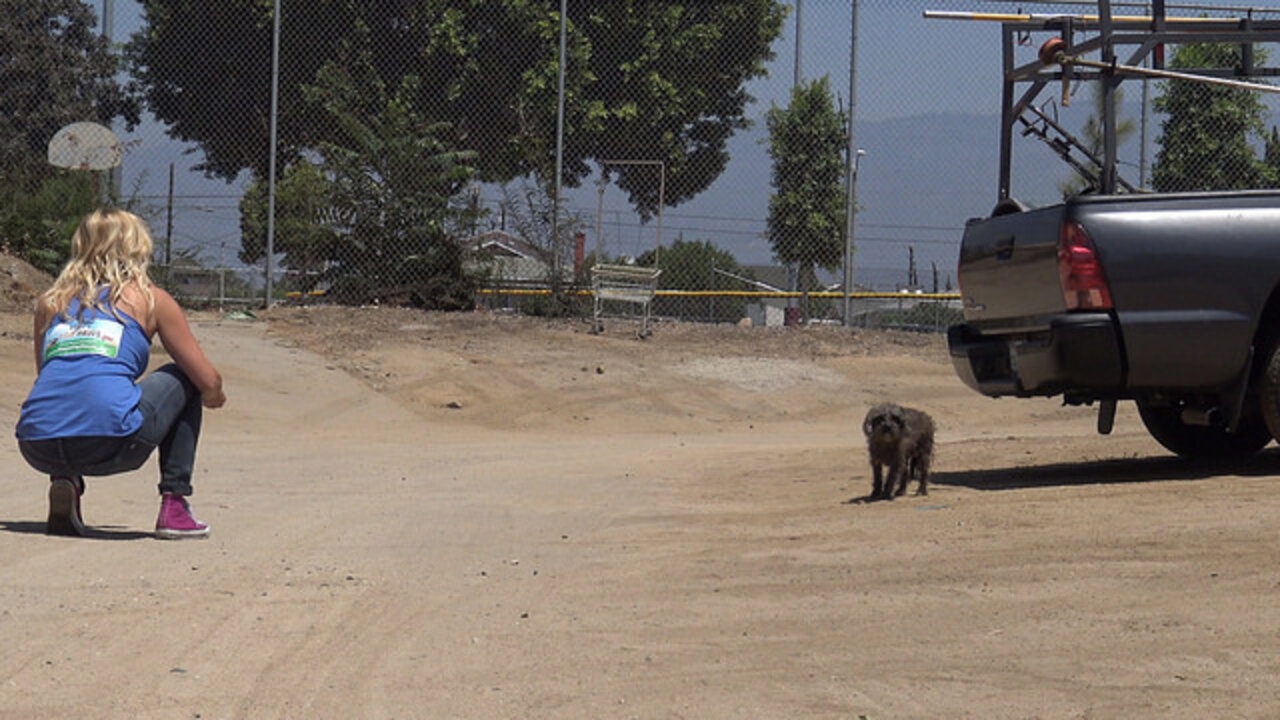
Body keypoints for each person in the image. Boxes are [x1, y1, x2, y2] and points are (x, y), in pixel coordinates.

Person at [15, 208, 226, 539]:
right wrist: (213, 396)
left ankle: (64, 480)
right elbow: (208, 380)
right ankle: (174, 505)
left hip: (37, 445)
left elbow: (50, 376)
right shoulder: (150, 300)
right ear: (137, 247)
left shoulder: (50, 303)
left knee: (64, 393)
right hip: (111, 445)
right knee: (184, 375)